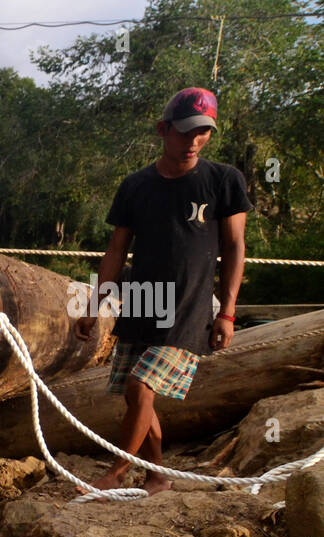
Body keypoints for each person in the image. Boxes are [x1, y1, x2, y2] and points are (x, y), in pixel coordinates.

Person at [75, 87, 252, 494]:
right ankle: (156, 475)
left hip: (189, 308)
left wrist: (227, 313)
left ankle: (116, 474)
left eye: (203, 132)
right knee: (137, 397)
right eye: (185, 132)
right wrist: (94, 305)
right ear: (163, 130)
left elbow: (234, 248)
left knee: (141, 387)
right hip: (141, 301)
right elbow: (117, 250)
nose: (194, 141)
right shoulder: (136, 185)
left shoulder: (224, 181)